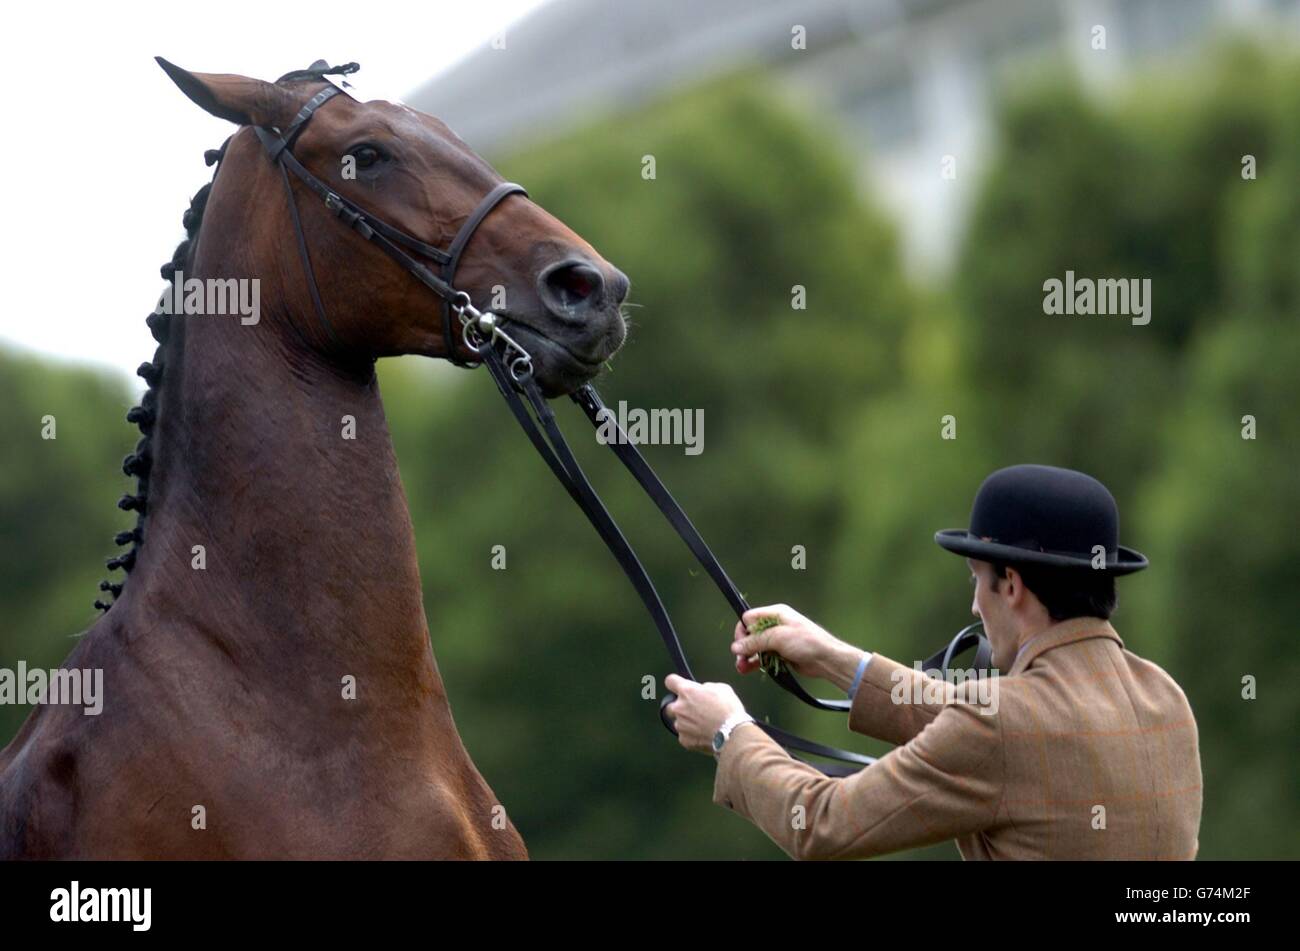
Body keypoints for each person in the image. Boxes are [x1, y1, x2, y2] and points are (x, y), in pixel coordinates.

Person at [664, 464, 1202, 859]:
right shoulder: (1166, 701)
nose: (974, 604)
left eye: (976, 579)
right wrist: (833, 657)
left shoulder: (998, 725)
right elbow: (1009, 731)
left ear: (1010, 584)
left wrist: (728, 732)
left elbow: (820, 824)